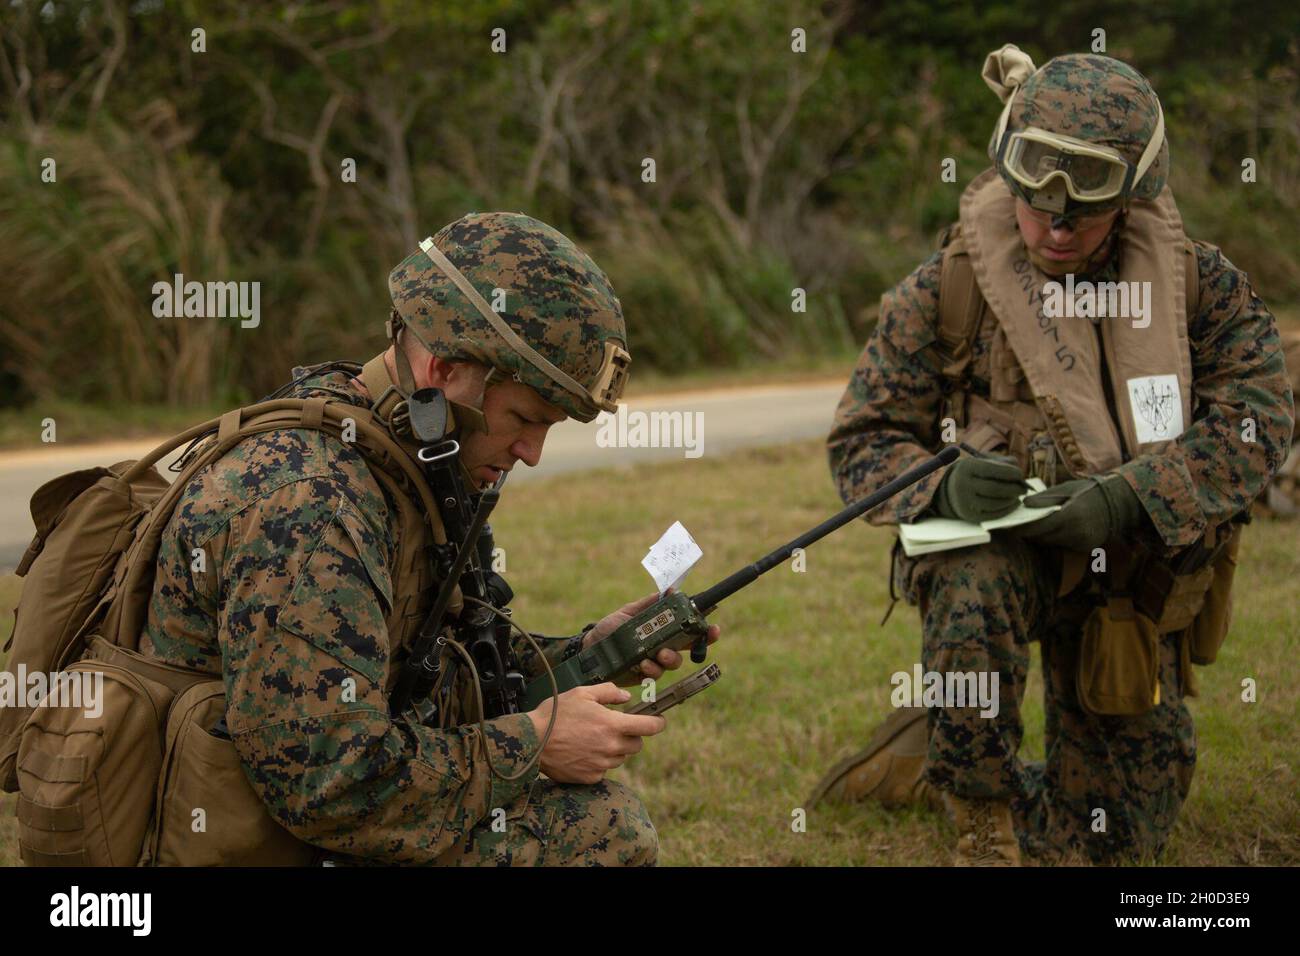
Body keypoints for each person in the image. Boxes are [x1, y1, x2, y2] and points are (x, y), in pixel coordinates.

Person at [809, 46, 1293, 865]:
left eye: (1083, 214)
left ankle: (929, 758)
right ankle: (980, 816)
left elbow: (1260, 417)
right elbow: (863, 437)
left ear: (1133, 198)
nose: (1055, 230)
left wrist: (1135, 495)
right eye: (1035, 206)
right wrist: (943, 487)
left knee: (1110, 841)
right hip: (1006, 566)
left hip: (1131, 576)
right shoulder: (950, 287)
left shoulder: (1194, 285)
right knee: (969, 585)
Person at [139, 212, 717, 866]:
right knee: (602, 832)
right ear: (443, 370)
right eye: (524, 419)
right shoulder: (314, 501)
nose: (531, 453)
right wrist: (533, 742)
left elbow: (431, 680)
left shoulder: (408, 461)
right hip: (245, 839)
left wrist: (585, 655)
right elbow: (327, 785)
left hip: (287, 830)